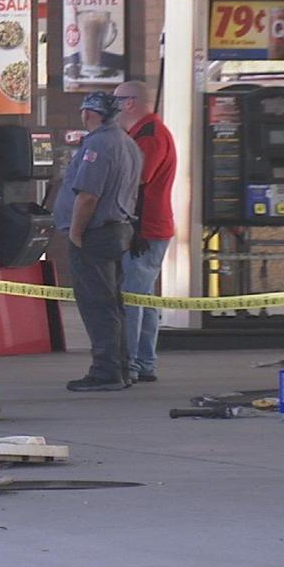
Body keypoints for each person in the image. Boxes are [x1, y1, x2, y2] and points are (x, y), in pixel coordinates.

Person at [53, 91, 143, 392]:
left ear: (89, 114)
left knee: (97, 304)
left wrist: (76, 233)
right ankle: (123, 366)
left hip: (95, 233)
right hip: (118, 230)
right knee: (113, 303)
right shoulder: (127, 142)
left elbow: (88, 196)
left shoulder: (98, 144)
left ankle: (105, 371)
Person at [113, 80, 177, 383]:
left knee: (132, 298)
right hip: (152, 226)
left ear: (129, 103)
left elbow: (137, 179)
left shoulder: (149, 135)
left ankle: (131, 364)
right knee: (144, 297)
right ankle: (145, 361)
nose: (112, 109)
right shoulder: (145, 132)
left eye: (116, 101)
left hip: (146, 228)